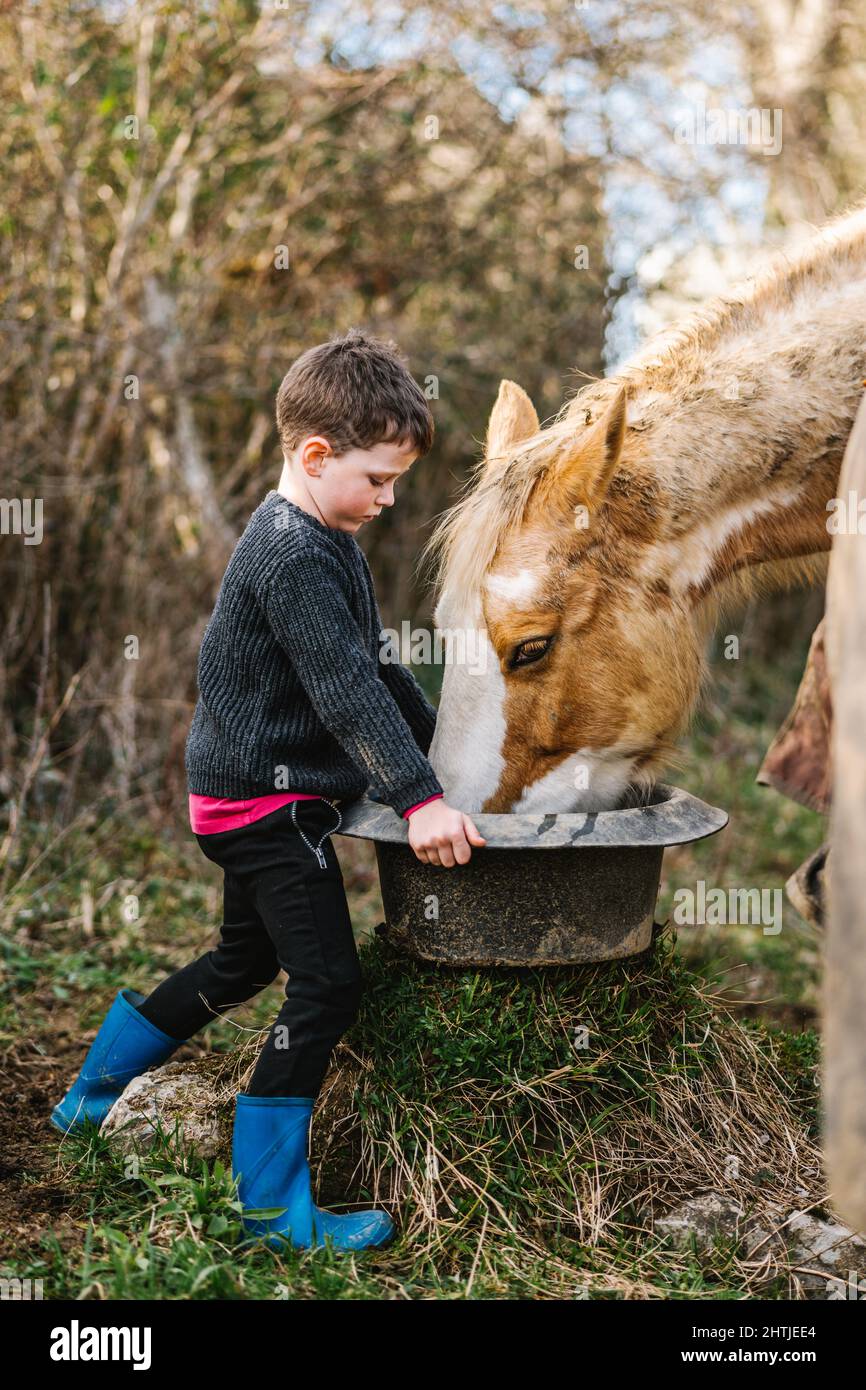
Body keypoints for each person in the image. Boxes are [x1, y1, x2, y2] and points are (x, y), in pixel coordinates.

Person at [51, 328, 486, 1252]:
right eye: (378, 478)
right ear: (315, 455)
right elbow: (342, 691)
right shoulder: (290, 554)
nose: (388, 498)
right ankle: (270, 1211)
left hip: (245, 799)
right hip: (266, 807)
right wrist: (419, 800)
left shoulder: (323, 535)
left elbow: (372, 666)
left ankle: (89, 1097)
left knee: (241, 964)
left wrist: (442, 751)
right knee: (327, 985)